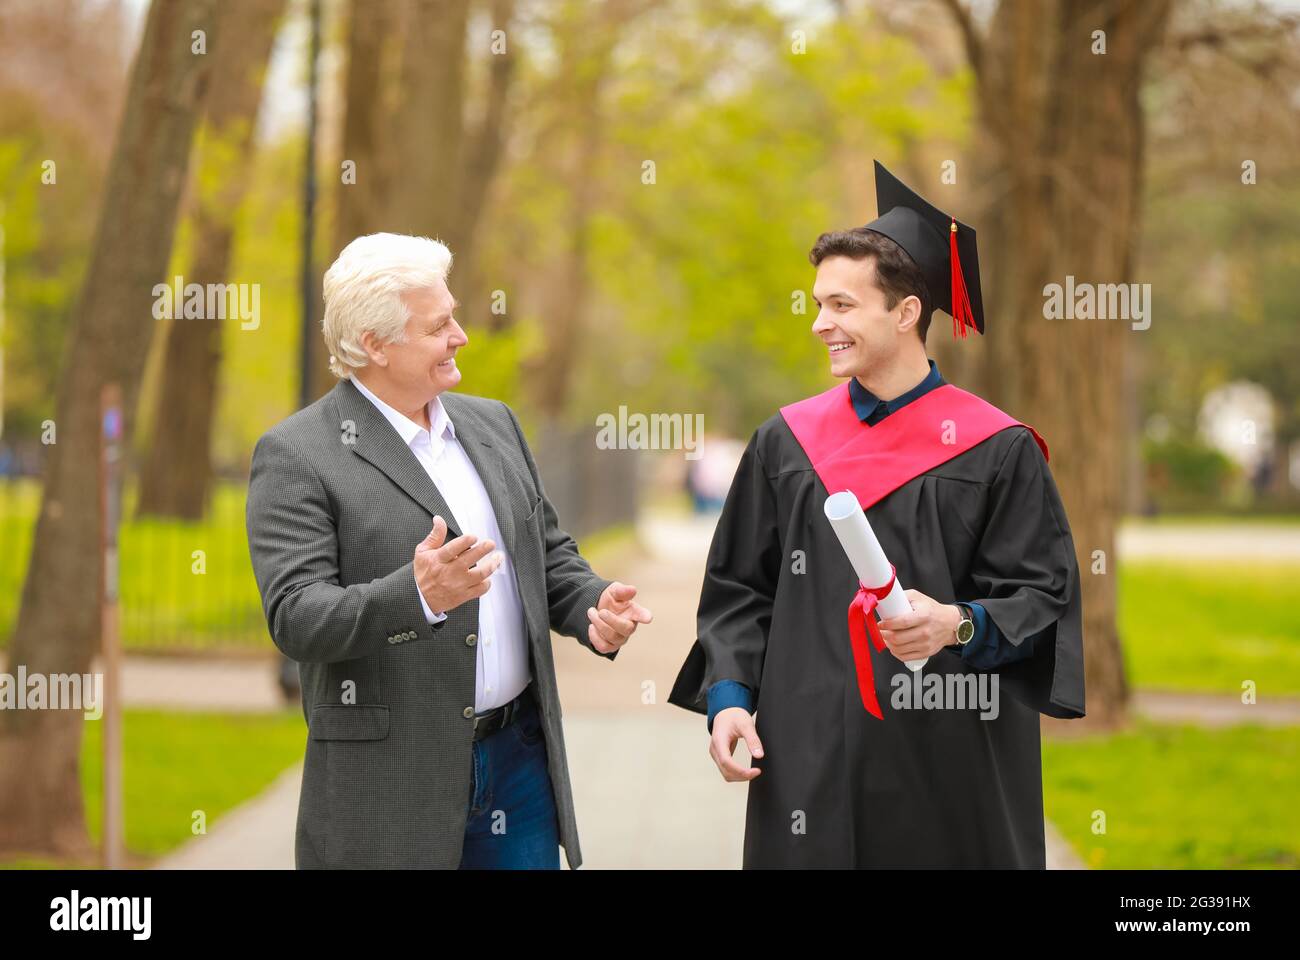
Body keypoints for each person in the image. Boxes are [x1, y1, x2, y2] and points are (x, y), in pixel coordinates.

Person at [668, 162, 1085, 867]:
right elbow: (740, 586)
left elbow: (1042, 598)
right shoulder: (786, 442)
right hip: (810, 758)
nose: (819, 324)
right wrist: (730, 697)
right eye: (817, 304)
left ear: (906, 312)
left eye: (840, 305)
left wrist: (958, 623)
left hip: (952, 756)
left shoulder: (998, 448)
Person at [246, 233, 652, 869]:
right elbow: (296, 617)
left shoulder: (492, 423)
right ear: (374, 344)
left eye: (454, 317)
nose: (460, 335)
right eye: (439, 326)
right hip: (389, 781)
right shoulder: (298, 455)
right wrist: (416, 597)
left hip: (517, 765)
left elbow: (543, 553)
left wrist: (592, 605)